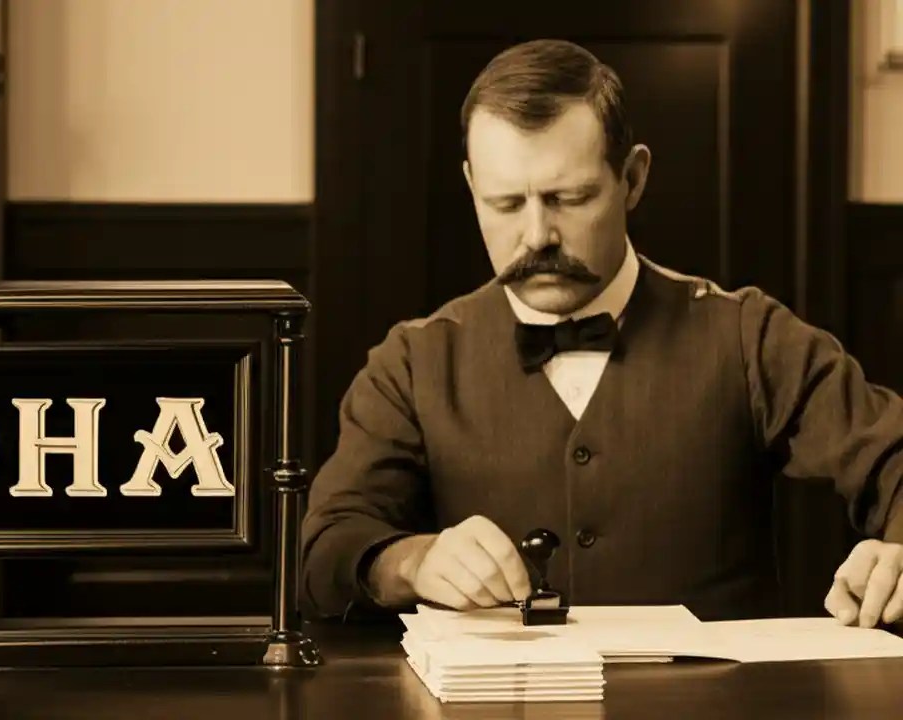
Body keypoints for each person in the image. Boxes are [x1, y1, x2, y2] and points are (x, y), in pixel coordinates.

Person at [300, 39, 903, 628]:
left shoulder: (748, 335)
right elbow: (326, 548)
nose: (537, 236)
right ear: (471, 188)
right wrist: (412, 561)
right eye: (506, 204)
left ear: (633, 179)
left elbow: (893, 456)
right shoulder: (413, 360)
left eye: (570, 198)